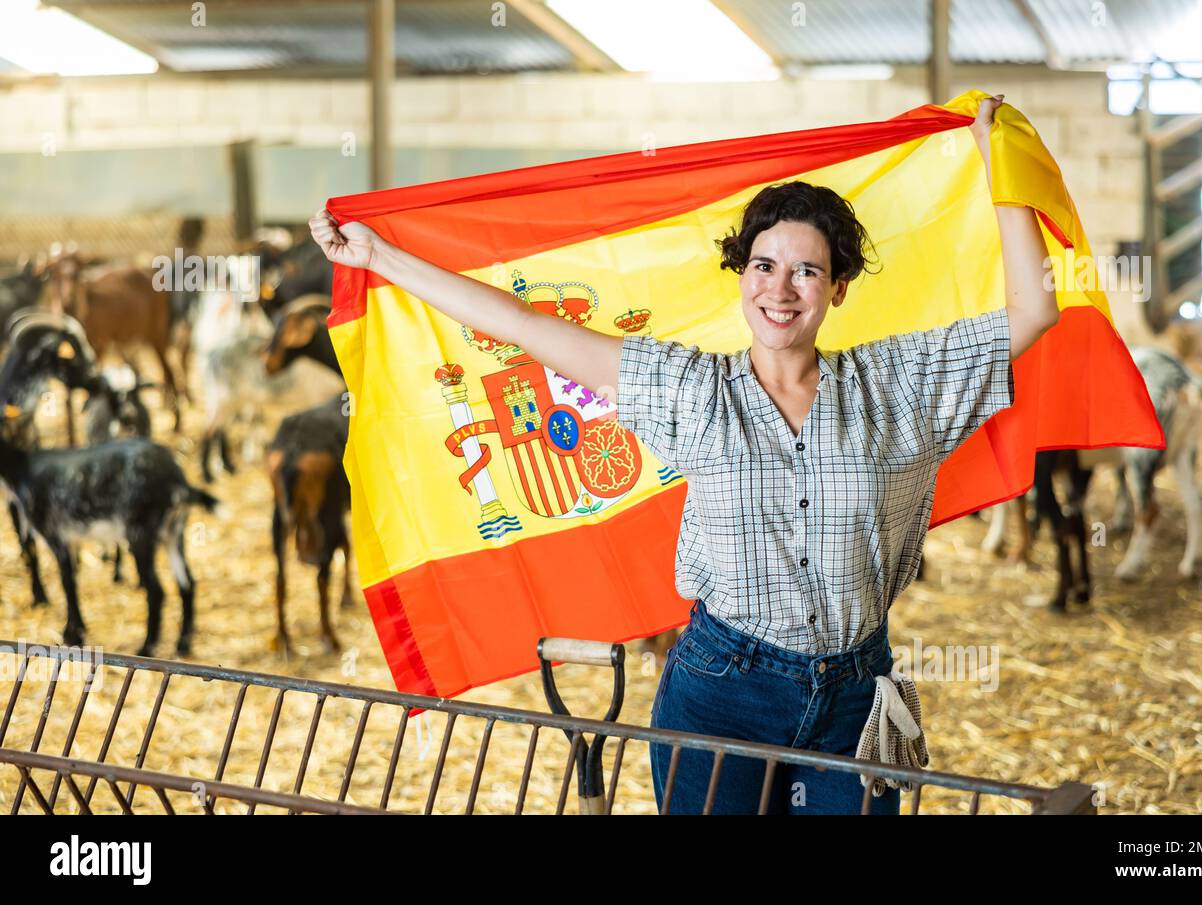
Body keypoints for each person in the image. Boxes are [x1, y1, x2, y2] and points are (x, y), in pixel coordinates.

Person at [309, 94, 1058, 815]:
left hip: (857, 696)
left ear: (838, 289)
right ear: (742, 277)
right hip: (721, 691)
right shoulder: (692, 390)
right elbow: (521, 324)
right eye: (764, 266)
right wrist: (379, 257)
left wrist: (1002, 165)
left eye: (807, 271)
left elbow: (1032, 310)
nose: (782, 289)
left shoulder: (899, 383)